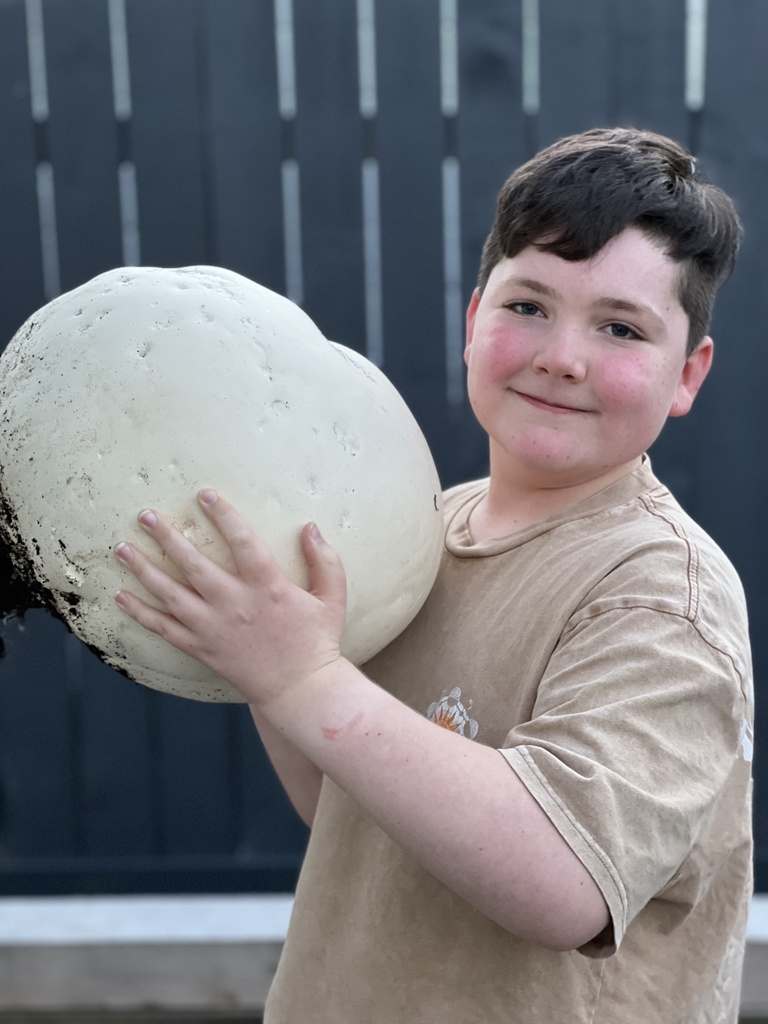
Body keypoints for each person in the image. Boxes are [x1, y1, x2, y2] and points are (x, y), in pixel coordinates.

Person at [112, 127, 753, 1023]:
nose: (561, 355)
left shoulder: (660, 594)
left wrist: (304, 678)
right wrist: (269, 665)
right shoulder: (421, 528)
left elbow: (566, 882)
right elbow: (349, 810)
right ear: (473, 321)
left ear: (686, 375)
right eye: (528, 305)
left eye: (619, 327)